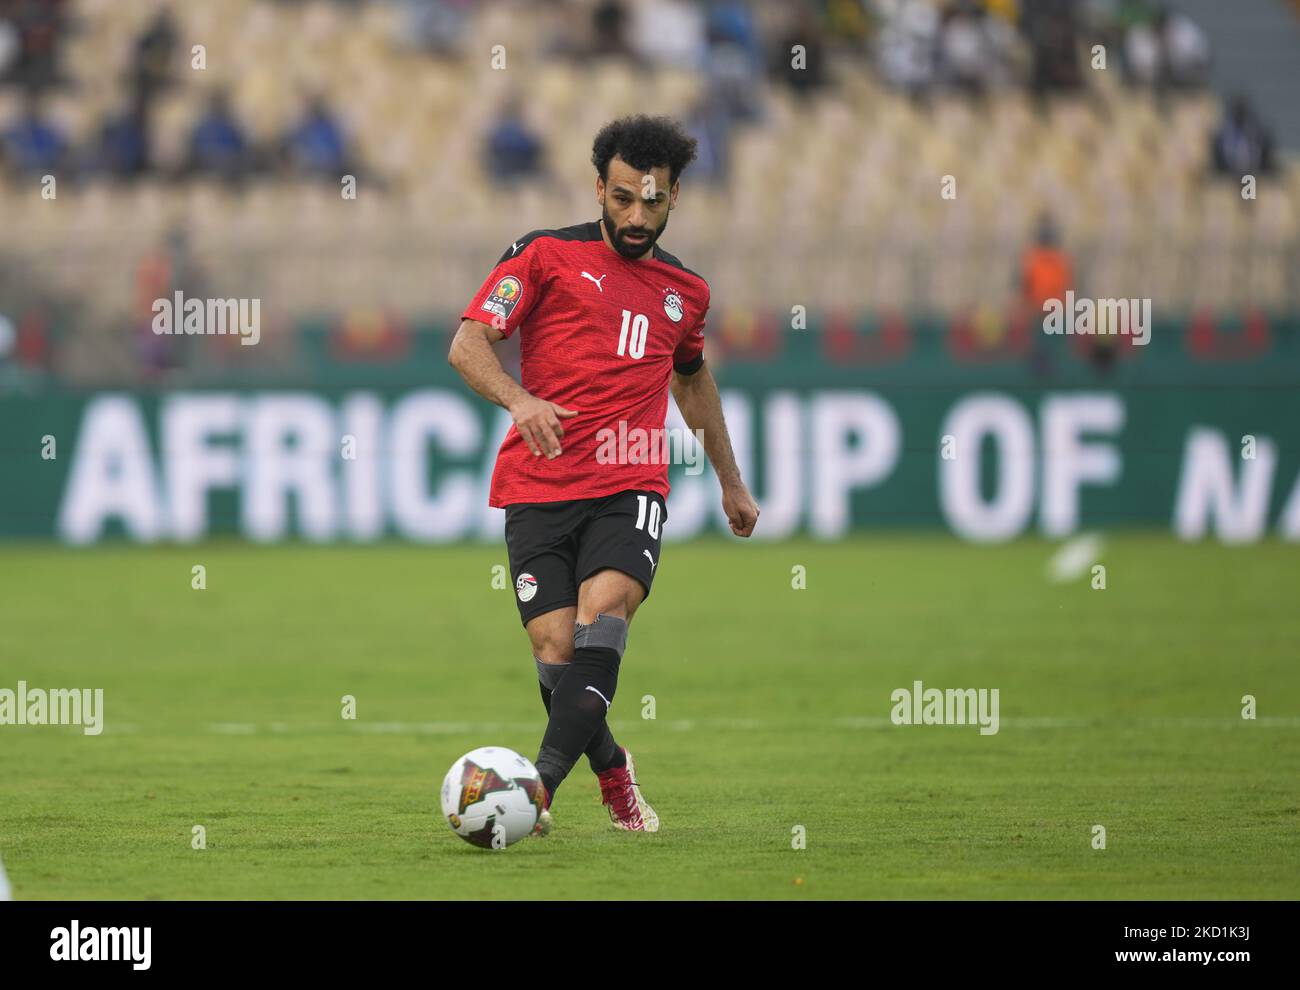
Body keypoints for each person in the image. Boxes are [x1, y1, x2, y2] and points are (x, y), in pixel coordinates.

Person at [448, 115, 760, 834]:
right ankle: (614, 769)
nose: (635, 216)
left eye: (651, 202)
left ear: (675, 195)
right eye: (621, 198)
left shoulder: (686, 291)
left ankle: (535, 791)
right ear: (599, 188)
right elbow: (468, 345)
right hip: (537, 486)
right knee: (557, 654)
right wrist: (520, 400)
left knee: (604, 617)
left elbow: (691, 380)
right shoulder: (543, 255)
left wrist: (730, 480)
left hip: (631, 482)